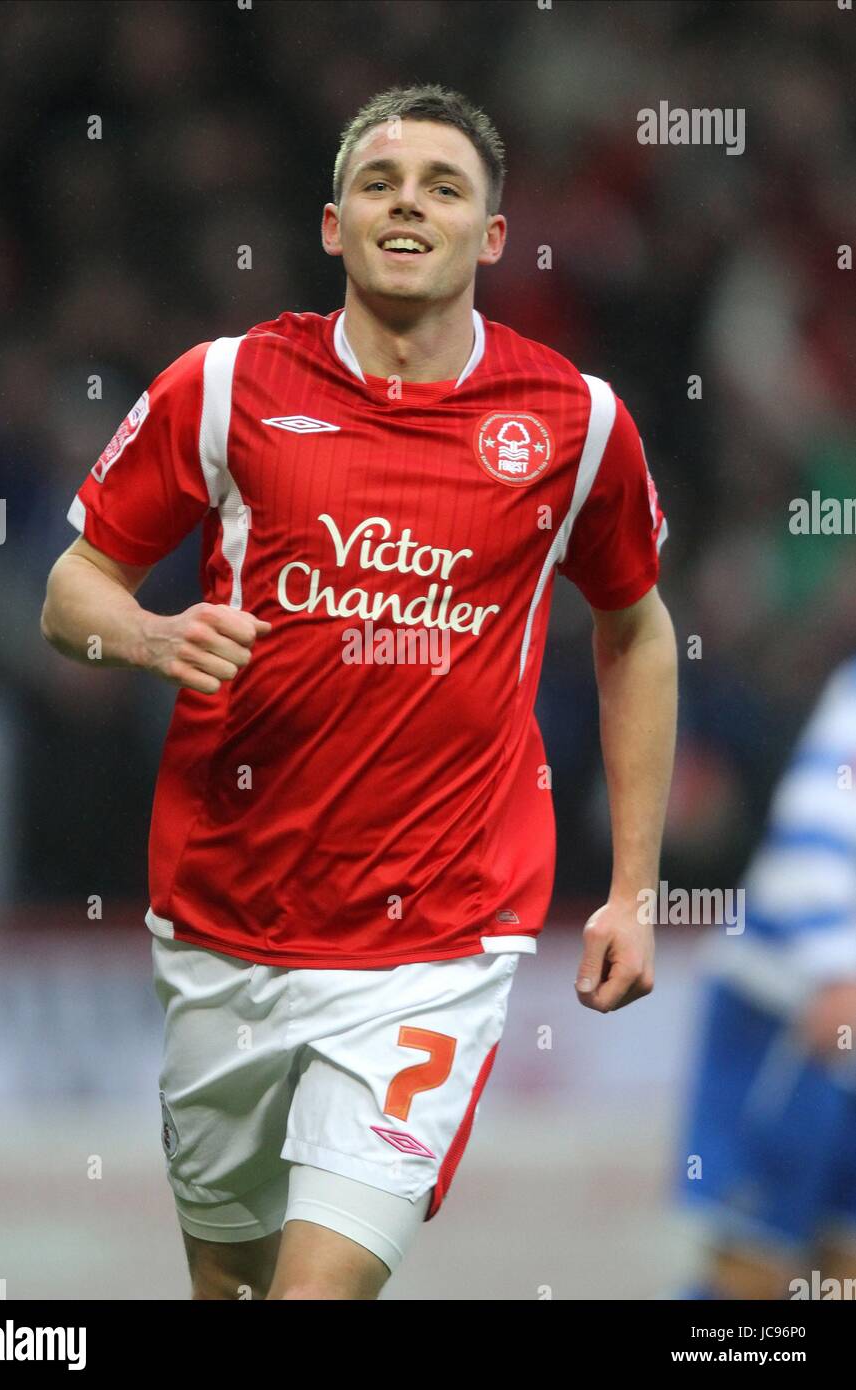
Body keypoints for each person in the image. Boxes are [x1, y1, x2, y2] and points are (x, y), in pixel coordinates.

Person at [40, 84, 677, 1301]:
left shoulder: (575, 422)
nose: (408, 206)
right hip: (225, 914)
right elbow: (72, 587)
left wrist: (633, 890)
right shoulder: (223, 386)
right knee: (228, 1284)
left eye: (445, 187)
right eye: (380, 184)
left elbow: (638, 631)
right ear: (332, 223)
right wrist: (147, 634)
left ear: (492, 238)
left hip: (437, 938)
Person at [676, 657, 856, 1300]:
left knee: (844, 1262)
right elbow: (817, 823)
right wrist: (838, 970)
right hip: (789, 1004)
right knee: (754, 1261)